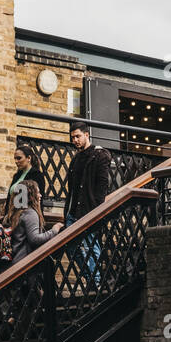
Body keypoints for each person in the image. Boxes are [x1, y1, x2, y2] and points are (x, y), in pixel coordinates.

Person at [64, 123, 110, 287]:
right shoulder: (76, 159)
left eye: (77, 136)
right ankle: (91, 277)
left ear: (86, 135)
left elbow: (102, 186)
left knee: (91, 245)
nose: (75, 140)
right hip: (73, 211)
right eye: (72, 138)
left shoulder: (99, 155)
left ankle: (96, 281)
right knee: (69, 246)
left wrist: (96, 210)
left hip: (90, 209)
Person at [8, 179, 63, 264]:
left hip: (16, 260)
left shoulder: (17, 211)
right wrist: (54, 230)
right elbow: (35, 239)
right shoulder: (30, 213)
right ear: (30, 195)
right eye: (37, 193)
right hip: (23, 262)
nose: (40, 196)